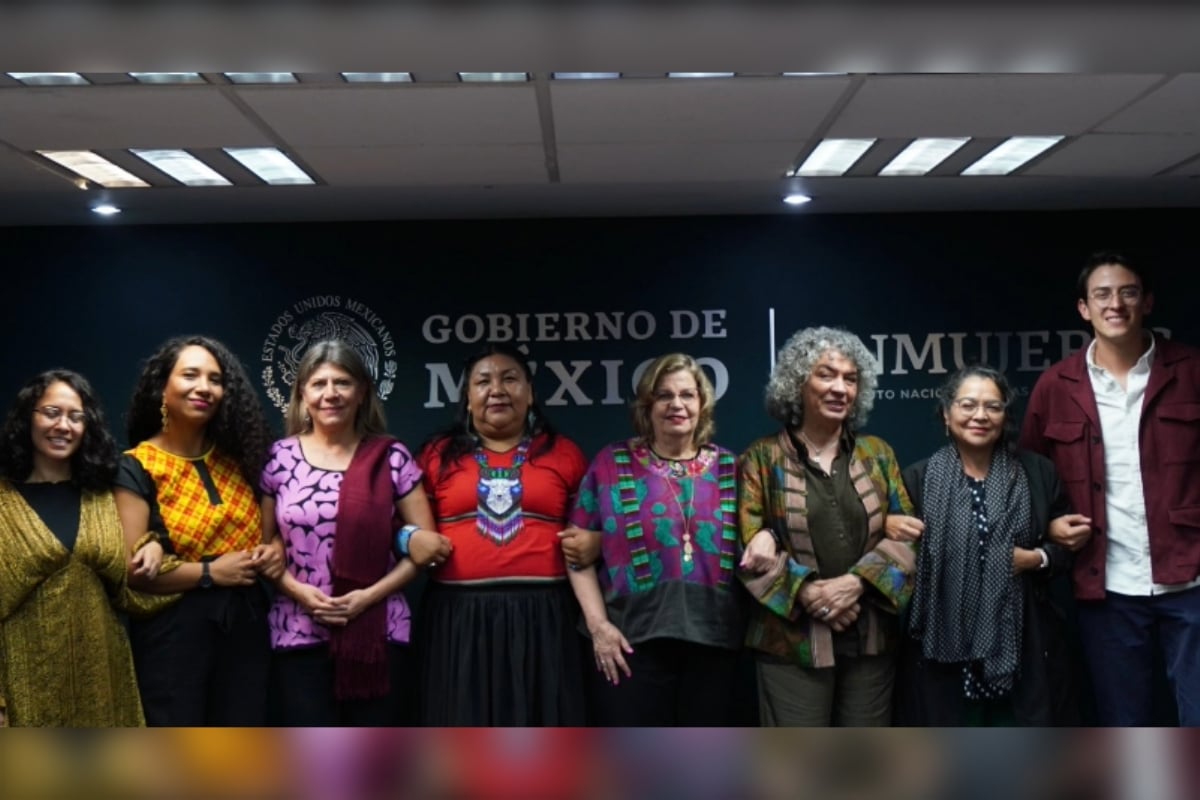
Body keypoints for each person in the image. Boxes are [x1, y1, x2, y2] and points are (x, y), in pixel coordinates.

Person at [1020, 252, 1200, 726]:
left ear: (1148, 302)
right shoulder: (1055, 386)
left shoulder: (1192, 371)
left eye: (1128, 292)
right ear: (1084, 308)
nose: (1114, 304)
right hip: (1107, 588)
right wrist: (1049, 523)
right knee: (1125, 722)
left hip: (1192, 579)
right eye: (1102, 294)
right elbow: (1027, 478)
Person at [260, 340, 452, 725]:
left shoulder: (391, 457)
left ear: (362, 391)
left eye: (343, 382)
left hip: (379, 631)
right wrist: (301, 594)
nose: (330, 394)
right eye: (319, 384)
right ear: (302, 393)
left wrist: (366, 598)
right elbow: (264, 549)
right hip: (298, 630)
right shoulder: (279, 457)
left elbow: (424, 549)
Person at [737, 326, 916, 726]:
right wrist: (811, 593)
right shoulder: (761, 459)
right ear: (797, 383)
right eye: (826, 374)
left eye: (850, 379)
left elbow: (910, 541)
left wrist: (855, 584)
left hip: (870, 639)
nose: (840, 388)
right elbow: (744, 549)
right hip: (791, 645)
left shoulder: (878, 454)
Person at [563, 353, 744, 725]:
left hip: (715, 643)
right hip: (628, 643)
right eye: (664, 395)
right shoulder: (611, 463)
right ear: (648, 406)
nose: (676, 404)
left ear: (702, 404)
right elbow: (575, 554)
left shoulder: (731, 468)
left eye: (687, 395)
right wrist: (599, 628)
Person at [893, 365, 1078, 725]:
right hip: (942, 650)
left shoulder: (1037, 473)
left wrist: (1036, 558)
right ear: (947, 414)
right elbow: (900, 559)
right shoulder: (917, 479)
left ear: (1006, 416)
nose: (980, 415)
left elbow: (1066, 550)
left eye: (993, 406)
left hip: (1023, 644)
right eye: (968, 404)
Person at [417, 343, 590, 725]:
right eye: (483, 381)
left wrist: (595, 543)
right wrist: (408, 539)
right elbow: (402, 527)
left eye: (510, 379)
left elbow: (590, 525)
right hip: (459, 616)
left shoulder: (564, 453)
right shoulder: (435, 454)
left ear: (530, 393)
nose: (496, 389)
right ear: (467, 397)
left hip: (545, 613)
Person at [114, 334, 280, 725]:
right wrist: (210, 573)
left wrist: (276, 550)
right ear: (162, 387)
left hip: (247, 623)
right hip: (173, 634)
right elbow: (132, 573)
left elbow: (274, 532)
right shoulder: (135, 466)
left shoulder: (240, 458)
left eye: (215, 379)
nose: (204, 387)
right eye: (190, 375)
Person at [0, 369, 165, 726]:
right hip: (24, 683)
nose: (64, 426)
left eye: (76, 417)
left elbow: (129, 564)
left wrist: (152, 546)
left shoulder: (102, 495)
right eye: (51, 413)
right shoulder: (3, 502)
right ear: (27, 418)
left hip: (103, 678)